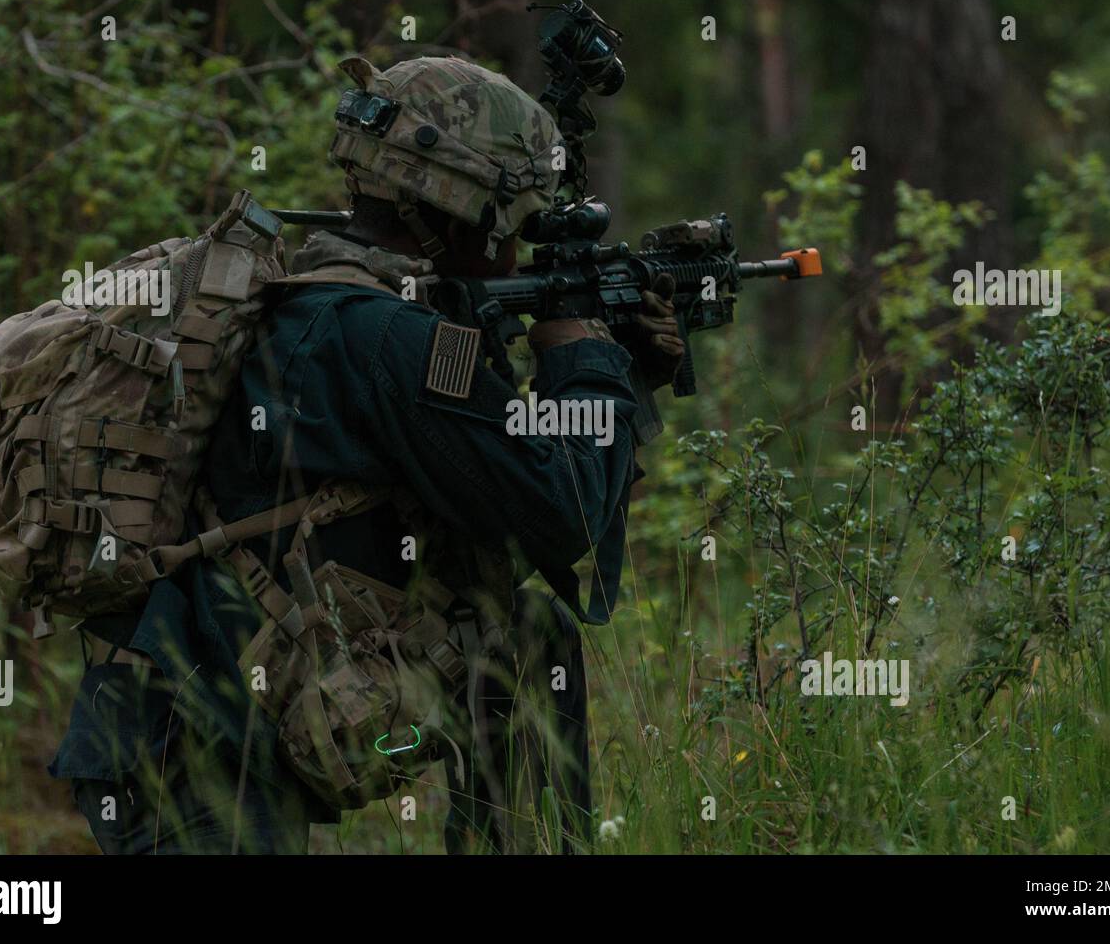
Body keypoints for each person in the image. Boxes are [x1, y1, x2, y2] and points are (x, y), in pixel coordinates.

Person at [49, 54, 683, 854]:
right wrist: (583, 352)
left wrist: (625, 369)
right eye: (513, 219)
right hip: (194, 758)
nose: (517, 247)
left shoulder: (321, 301)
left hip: (209, 730)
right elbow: (562, 515)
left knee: (525, 636)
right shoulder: (396, 341)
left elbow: (490, 512)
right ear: (461, 207)